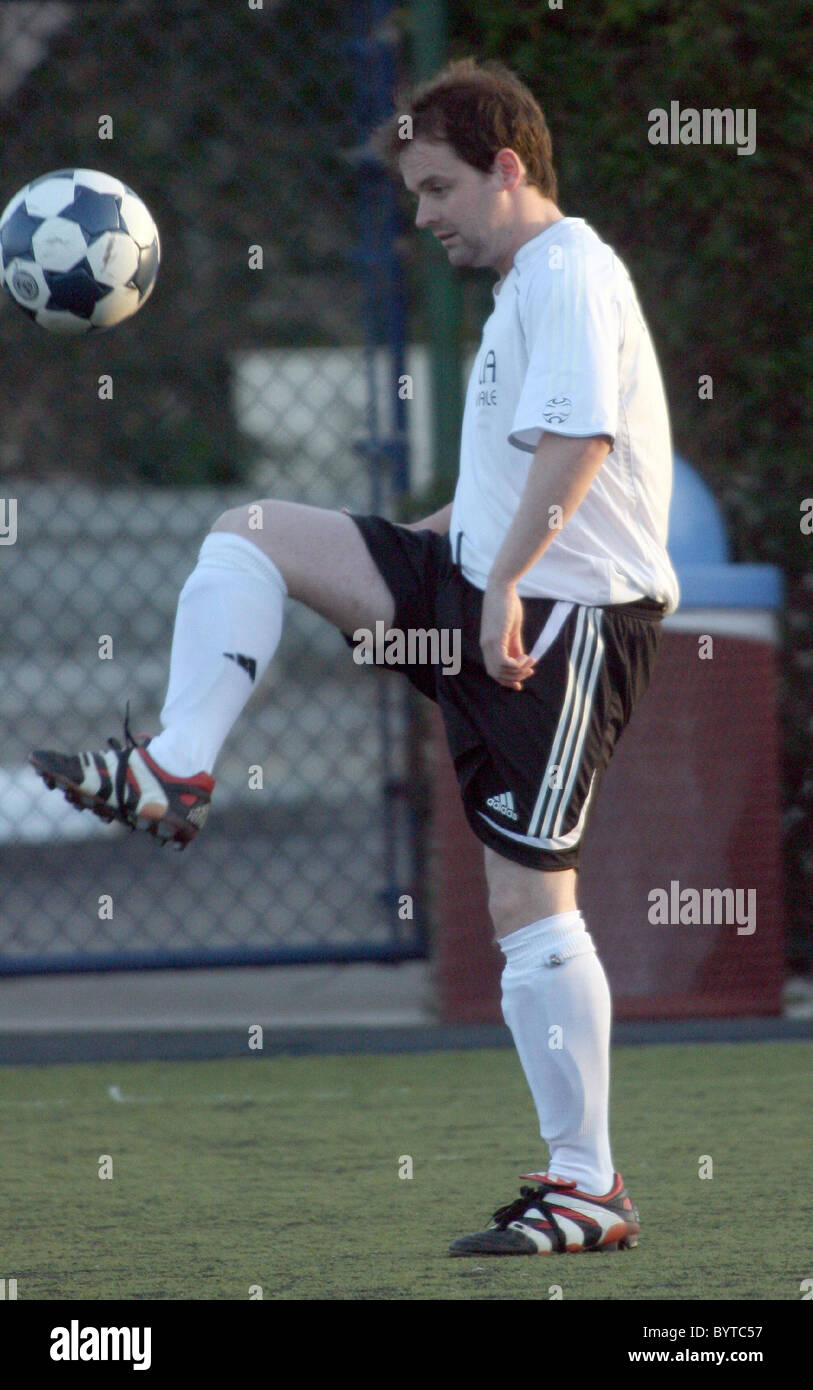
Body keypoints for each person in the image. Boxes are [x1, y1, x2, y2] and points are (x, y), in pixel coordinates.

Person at [31, 58, 679, 1256]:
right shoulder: (526, 286)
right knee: (254, 535)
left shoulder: (572, 269)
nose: (422, 216)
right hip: (484, 584)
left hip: (562, 620)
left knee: (529, 901)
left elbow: (584, 439)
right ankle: (175, 766)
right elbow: (508, 480)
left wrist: (508, 586)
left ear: (506, 167)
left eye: (435, 188)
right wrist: (436, 558)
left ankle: (587, 1184)